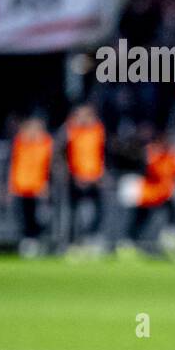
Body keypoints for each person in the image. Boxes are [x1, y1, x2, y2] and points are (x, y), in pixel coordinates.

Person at [64, 105, 106, 253]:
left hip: (95, 177)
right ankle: (73, 243)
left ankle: (92, 240)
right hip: (76, 178)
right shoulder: (71, 131)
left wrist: (100, 173)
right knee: (74, 212)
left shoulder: (98, 131)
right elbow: (66, 154)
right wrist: (75, 174)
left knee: (98, 210)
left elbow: (102, 153)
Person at [8, 117, 53, 258]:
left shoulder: (45, 143)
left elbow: (48, 166)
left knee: (40, 217)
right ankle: (28, 242)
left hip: (38, 187)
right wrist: (10, 185)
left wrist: (46, 183)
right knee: (24, 216)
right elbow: (13, 165)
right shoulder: (19, 143)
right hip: (21, 186)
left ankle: (39, 242)